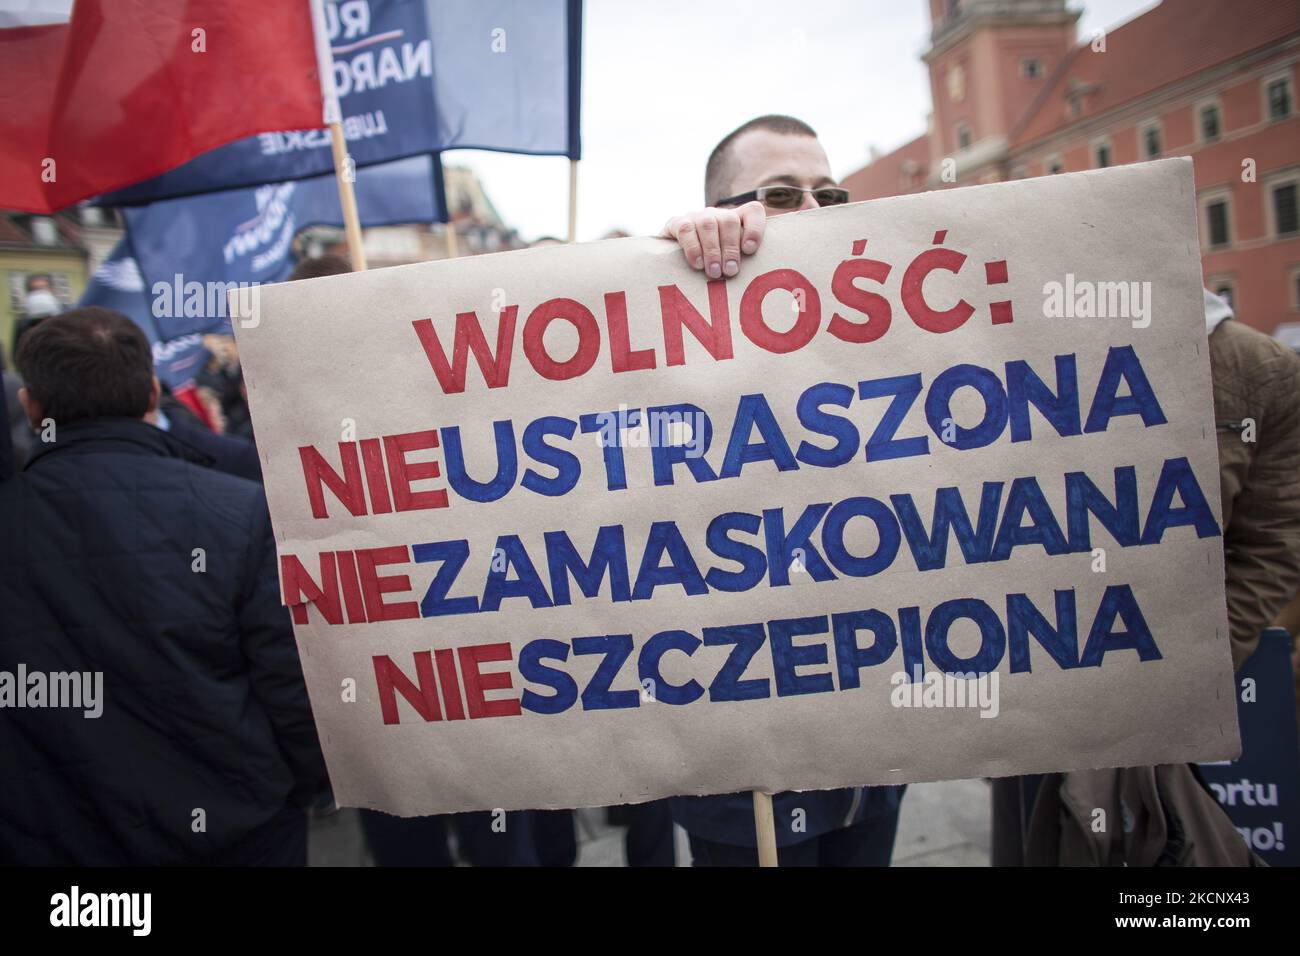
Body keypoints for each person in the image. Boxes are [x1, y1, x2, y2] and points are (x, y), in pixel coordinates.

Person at [661, 115, 906, 866]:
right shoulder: (684, 313)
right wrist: (670, 252)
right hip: (746, 764)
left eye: (829, 195)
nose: (810, 211)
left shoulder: (881, 310)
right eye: (778, 193)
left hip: (874, 745)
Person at [0, 307, 328, 865]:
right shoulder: (238, 510)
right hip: (236, 829)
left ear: (32, 408)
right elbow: (291, 684)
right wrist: (304, 789)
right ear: (152, 394)